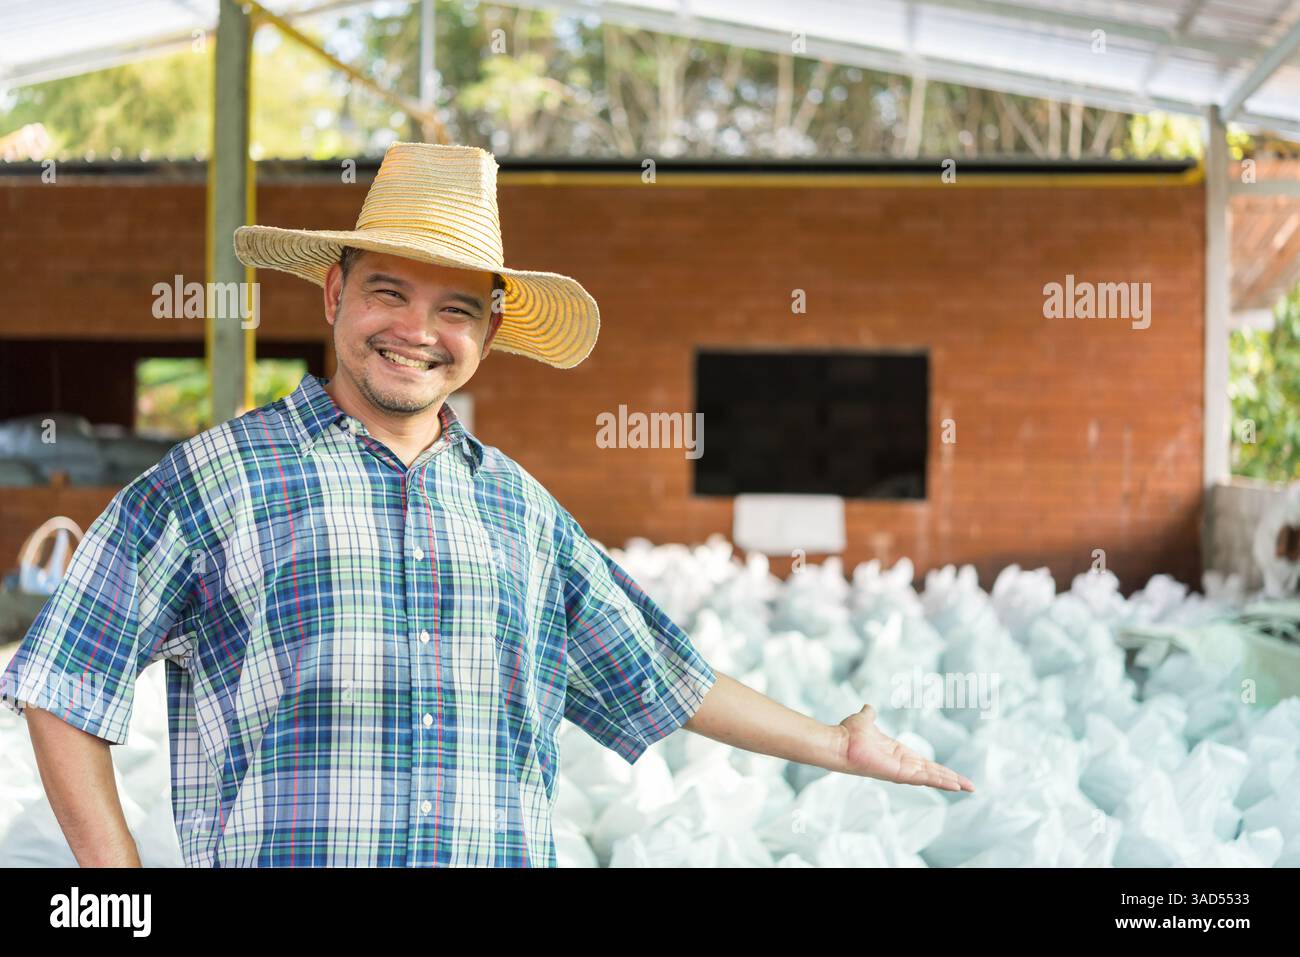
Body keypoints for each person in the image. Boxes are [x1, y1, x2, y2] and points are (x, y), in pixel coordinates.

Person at [0, 142, 972, 868]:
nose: (417, 332)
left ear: (490, 331)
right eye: (389, 292)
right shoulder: (212, 481)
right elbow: (62, 684)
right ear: (333, 293)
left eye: (455, 309)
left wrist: (833, 743)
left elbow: (662, 676)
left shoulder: (521, 513)